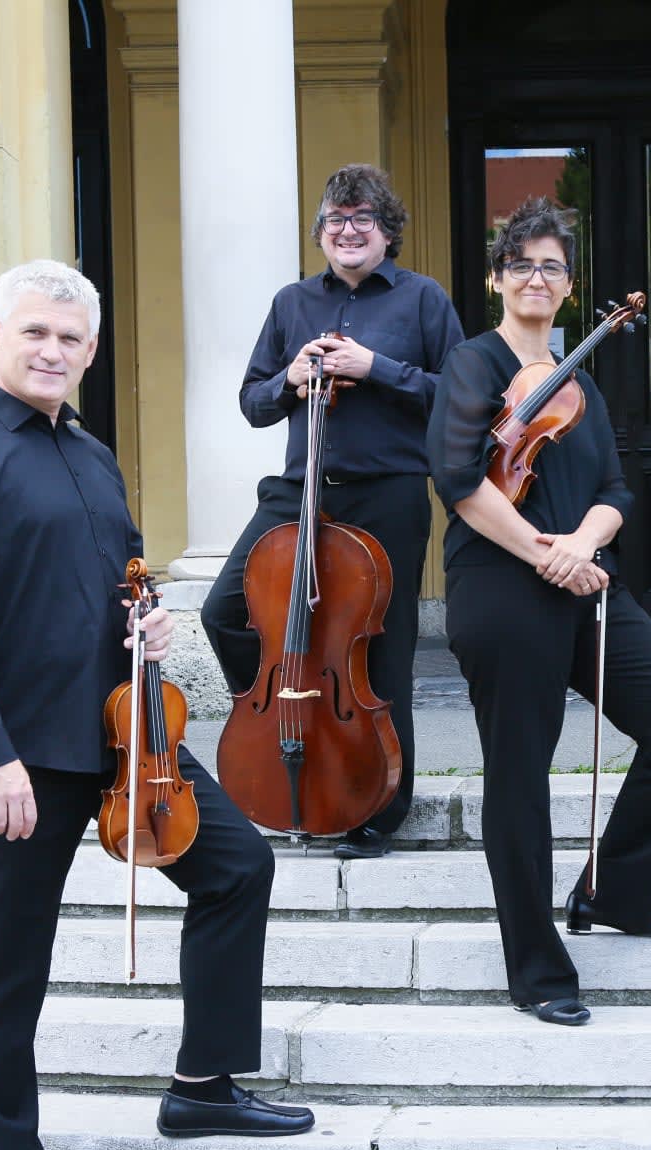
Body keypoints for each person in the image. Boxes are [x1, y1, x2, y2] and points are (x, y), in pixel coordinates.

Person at [0, 259, 313, 1150]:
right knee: (6, 962)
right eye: (36, 331)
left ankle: (203, 1083)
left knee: (238, 865)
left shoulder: (89, 454)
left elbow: (124, 572)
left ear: (89, 350)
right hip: (20, 755)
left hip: (130, 735)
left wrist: (151, 619)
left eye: (71, 339)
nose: (52, 351)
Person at [429, 197, 651, 1027]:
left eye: (551, 266)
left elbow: (615, 490)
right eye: (520, 263)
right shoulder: (473, 366)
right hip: (502, 591)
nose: (535, 277)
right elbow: (459, 483)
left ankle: (617, 892)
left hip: (585, 583)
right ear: (495, 279)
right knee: (520, 778)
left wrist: (584, 545)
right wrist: (544, 553)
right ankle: (538, 970)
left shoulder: (582, 382)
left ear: (568, 286)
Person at [203, 163, 465, 859]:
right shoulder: (292, 302)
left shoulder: (422, 300)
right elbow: (253, 402)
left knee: (381, 652)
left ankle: (379, 806)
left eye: (363, 220)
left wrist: (373, 368)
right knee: (224, 611)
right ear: (321, 231)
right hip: (301, 491)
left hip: (388, 493)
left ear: (388, 233)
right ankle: (282, 718)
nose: (348, 231)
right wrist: (290, 378)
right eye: (335, 220)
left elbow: (462, 395)